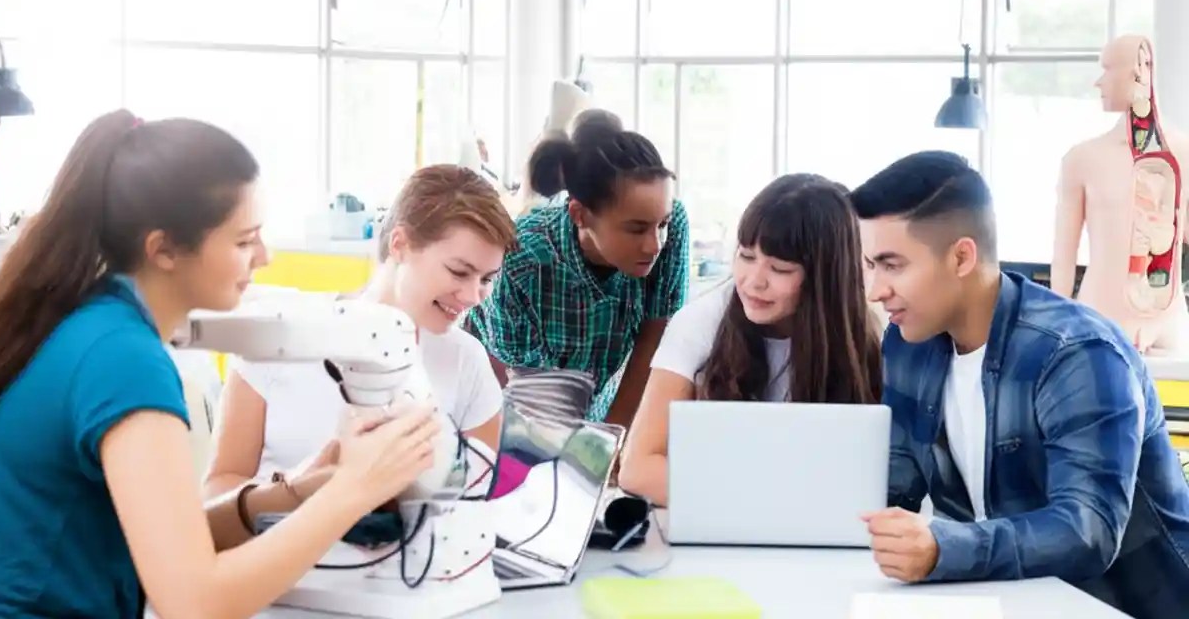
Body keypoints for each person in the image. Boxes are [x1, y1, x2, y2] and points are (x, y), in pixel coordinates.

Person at [0, 110, 439, 618]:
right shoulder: (122, 360)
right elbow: (194, 603)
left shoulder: (92, 322)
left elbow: (166, 546)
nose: (264, 257)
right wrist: (356, 490)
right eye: (243, 240)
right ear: (164, 249)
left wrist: (299, 491)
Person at [852, 150, 1189, 619]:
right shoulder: (909, 346)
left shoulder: (1077, 352)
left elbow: (1088, 531)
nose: (875, 290)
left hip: (1125, 607)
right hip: (1012, 601)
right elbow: (894, 487)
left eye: (892, 265)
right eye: (870, 265)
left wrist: (944, 548)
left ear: (962, 257)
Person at [205, 164, 516, 505]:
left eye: (486, 279)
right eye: (459, 271)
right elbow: (218, 490)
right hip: (283, 551)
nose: (473, 297)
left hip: (412, 554)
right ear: (400, 244)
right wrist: (300, 488)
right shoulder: (278, 339)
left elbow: (479, 500)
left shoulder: (466, 360)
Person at [618, 174, 883, 505]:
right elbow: (637, 468)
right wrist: (768, 501)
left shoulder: (865, 337)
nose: (753, 282)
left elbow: (864, 480)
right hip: (724, 523)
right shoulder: (702, 322)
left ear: (824, 278)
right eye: (745, 256)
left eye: (780, 269)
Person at [467, 124, 690, 428]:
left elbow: (656, 334)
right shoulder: (522, 259)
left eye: (660, 224)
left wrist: (610, 439)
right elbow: (512, 382)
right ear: (580, 215)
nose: (654, 244)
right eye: (636, 229)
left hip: (596, 402)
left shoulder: (673, 223)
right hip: (513, 401)